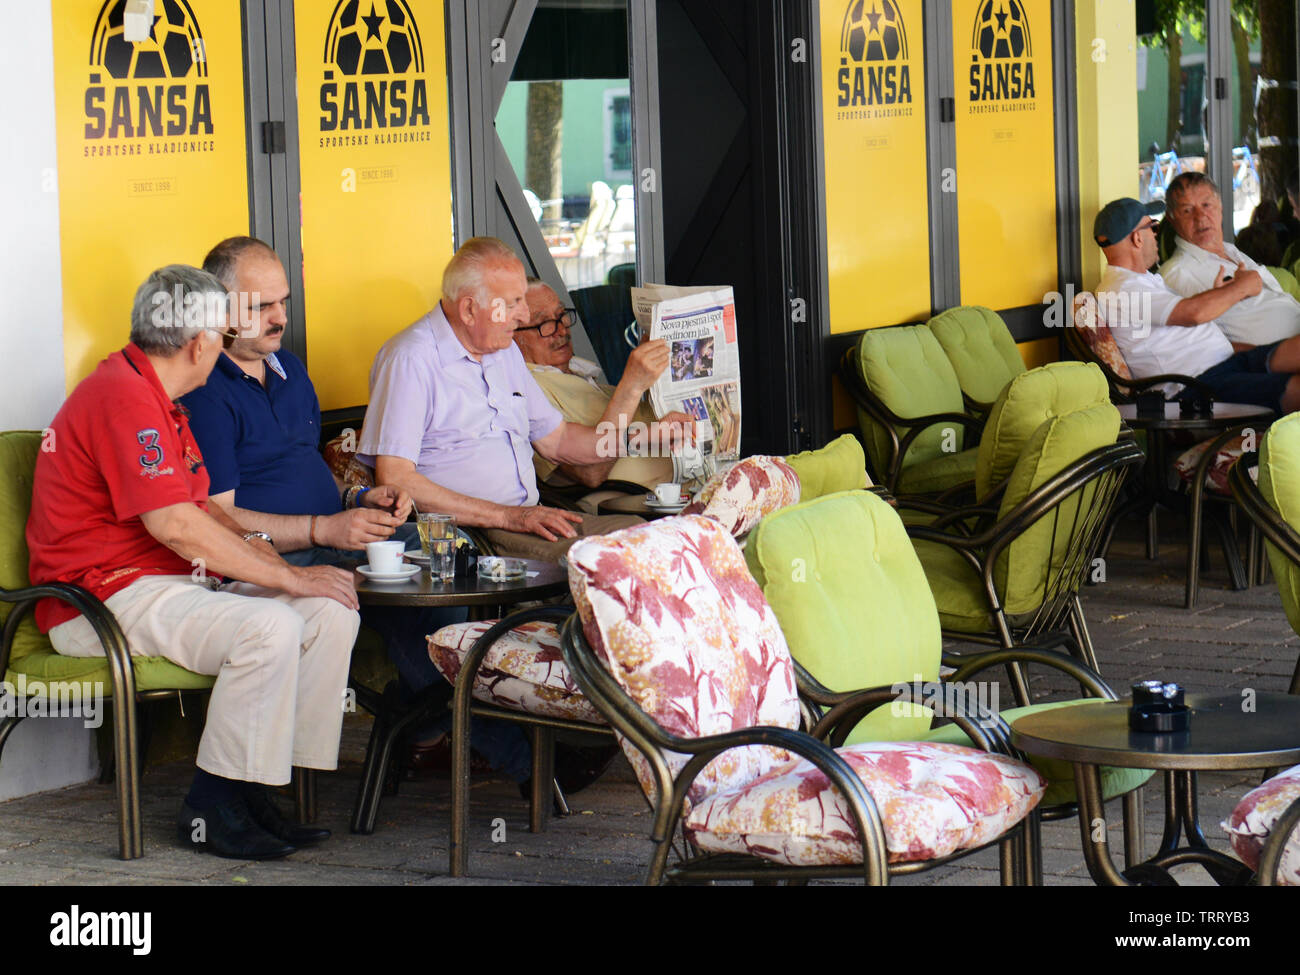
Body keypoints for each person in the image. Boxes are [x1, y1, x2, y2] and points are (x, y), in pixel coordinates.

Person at [26, 265, 360, 860]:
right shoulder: (121, 396)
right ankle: (213, 807)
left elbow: (203, 508)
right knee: (272, 622)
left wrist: (265, 556)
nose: (226, 346)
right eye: (223, 334)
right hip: (98, 598)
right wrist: (286, 573)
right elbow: (176, 526)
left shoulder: (158, 394)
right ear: (198, 343)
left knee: (326, 611)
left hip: (167, 586)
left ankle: (260, 786)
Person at [179, 236, 529, 785]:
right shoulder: (202, 389)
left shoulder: (290, 369)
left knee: (451, 556)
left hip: (335, 536)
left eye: (284, 303)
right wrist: (326, 527)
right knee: (418, 590)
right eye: (262, 306)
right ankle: (502, 748)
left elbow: (302, 479)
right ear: (217, 309)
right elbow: (214, 518)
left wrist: (359, 501)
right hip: (265, 562)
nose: (280, 319)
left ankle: (425, 725)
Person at [358, 237, 695, 561]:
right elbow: (395, 479)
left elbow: (560, 441)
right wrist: (510, 517)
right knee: (617, 559)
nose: (521, 316)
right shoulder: (410, 359)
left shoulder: (500, 352)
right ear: (469, 309)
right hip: (472, 535)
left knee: (660, 537)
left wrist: (646, 437)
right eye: (511, 304)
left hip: (529, 521)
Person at [1092, 196, 1300, 415]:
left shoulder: (1140, 281)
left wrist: (1221, 293)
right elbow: (1192, 313)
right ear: (1137, 239)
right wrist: (1242, 286)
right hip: (1195, 388)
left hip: (1225, 365)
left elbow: (1184, 318)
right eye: (1153, 227)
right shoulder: (1124, 289)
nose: (1156, 235)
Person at [513, 278, 674, 503]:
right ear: (513, 335)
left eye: (561, 315)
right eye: (545, 324)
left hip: (685, 482)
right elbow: (590, 473)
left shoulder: (579, 373)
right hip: (644, 504)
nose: (561, 330)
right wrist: (632, 384)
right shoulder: (525, 389)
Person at [1158, 172, 1300, 345]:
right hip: (1271, 360)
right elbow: (1197, 346)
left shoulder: (1230, 250)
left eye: (1206, 205)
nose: (1200, 216)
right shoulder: (1176, 272)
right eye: (1187, 210)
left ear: (1220, 206)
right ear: (1172, 218)